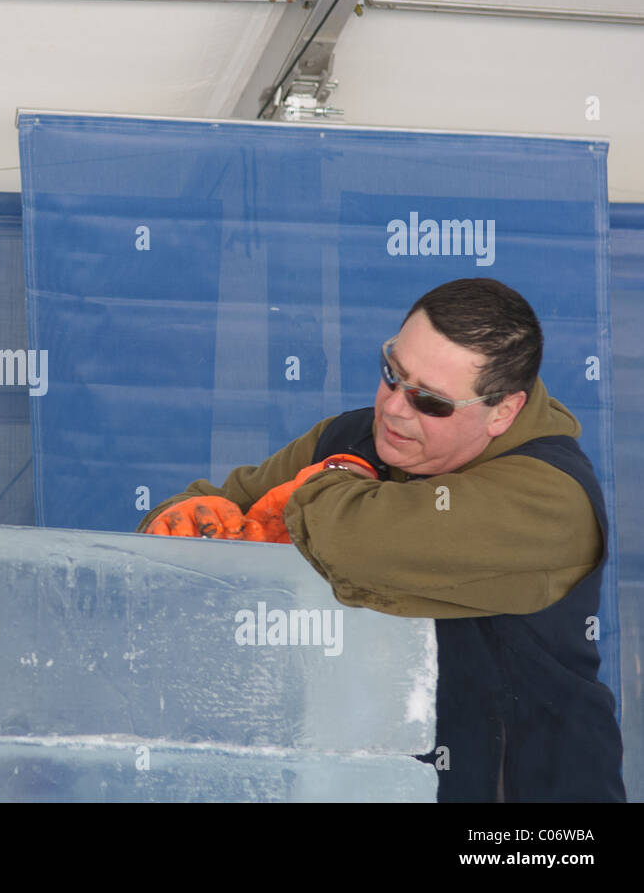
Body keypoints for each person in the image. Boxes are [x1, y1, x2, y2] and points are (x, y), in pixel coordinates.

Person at [139, 277, 624, 802]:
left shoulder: (551, 498)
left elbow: (355, 543)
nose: (394, 409)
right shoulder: (348, 436)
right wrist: (179, 526)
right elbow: (211, 510)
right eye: (392, 374)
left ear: (503, 411)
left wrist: (326, 480)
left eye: (430, 402)